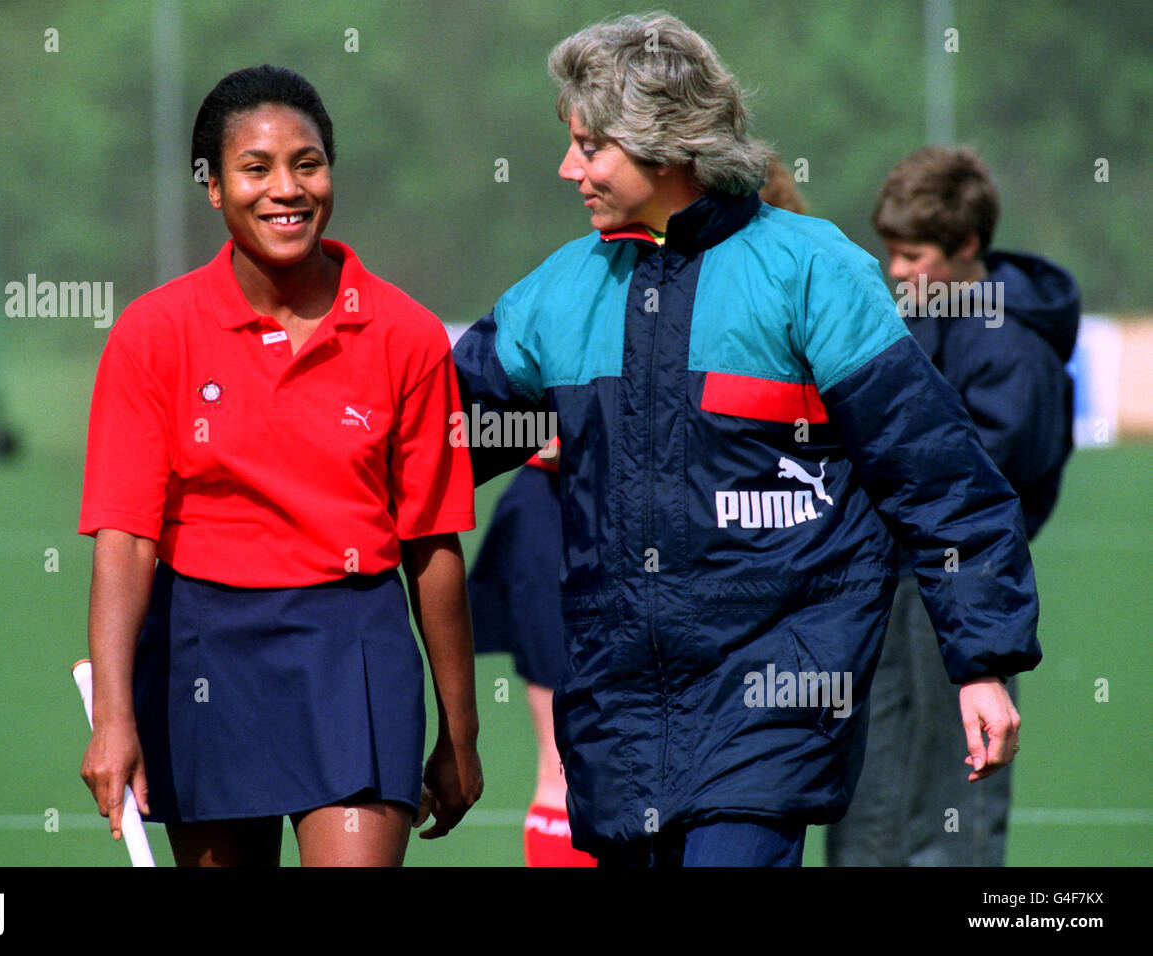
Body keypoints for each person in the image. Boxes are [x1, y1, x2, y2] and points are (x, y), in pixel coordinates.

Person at [451, 14, 1040, 866]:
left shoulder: (813, 271)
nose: (567, 168)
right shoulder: (558, 293)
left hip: (776, 693)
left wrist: (980, 659)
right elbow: (435, 440)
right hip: (617, 709)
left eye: (590, 145)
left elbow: (936, 470)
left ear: (665, 145)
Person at [77, 65, 482, 867]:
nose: (286, 189)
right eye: (255, 168)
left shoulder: (406, 333)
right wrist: (114, 717)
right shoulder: (153, 332)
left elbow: (433, 546)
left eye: (307, 163)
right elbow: (125, 539)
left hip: (353, 646)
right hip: (202, 651)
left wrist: (459, 732)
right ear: (214, 189)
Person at [466, 160, 807, 867]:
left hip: (720, 611)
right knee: (564, 769)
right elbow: (472, 414)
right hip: (559, 525)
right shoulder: (590, 273)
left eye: (589, 146)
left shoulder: (792, 278)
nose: (570, 168)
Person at [826, 146, 1079, 866]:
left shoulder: (1010, 350)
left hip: (957, 585)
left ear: (967, 245)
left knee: (949, 787)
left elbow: (980, 490)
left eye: (913, 255)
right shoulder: (920, 316)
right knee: (874, 774)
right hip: (892, 580)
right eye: (891, 254)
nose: (898, 271)